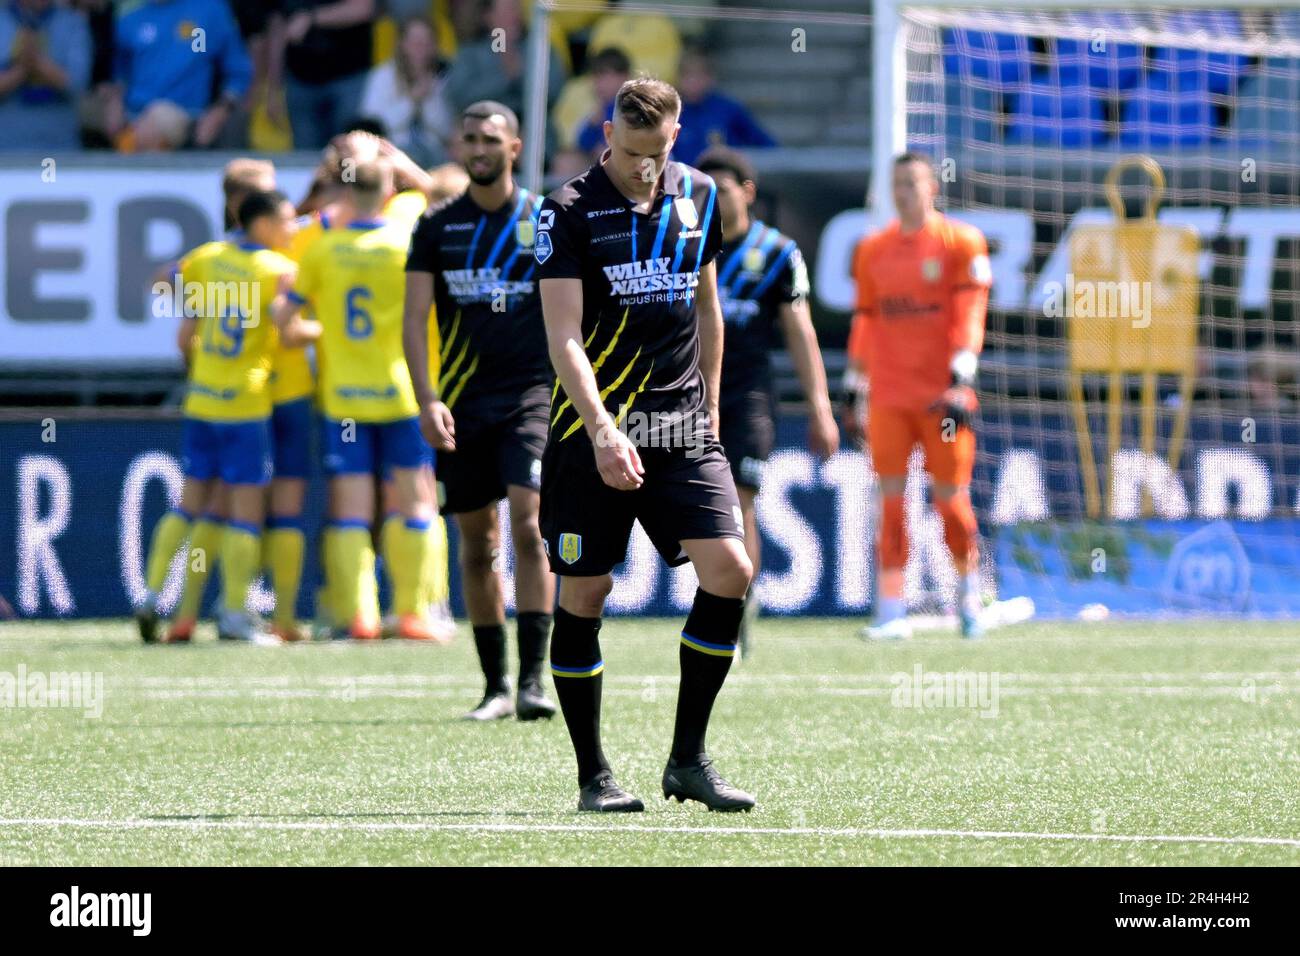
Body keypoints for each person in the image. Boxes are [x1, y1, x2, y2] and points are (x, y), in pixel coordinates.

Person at [535, 77, 756, 813]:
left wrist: (712, 407)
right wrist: (600, 429)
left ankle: (688, 760)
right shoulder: (565, 210)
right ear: (607, 131)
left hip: (681, 424)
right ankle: (592, 775)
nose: (642, 167)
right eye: (630, 152)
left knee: (729, 569)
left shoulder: (699, 197)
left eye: (656, 151)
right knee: (586, 592)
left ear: (677, 132)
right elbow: (563, 332)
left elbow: (707, 304)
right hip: (588, 430)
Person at [404, 101, 556, 722]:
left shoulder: (546, 220)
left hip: (534, 396)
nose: (479, 147)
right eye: (469, 138)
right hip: (464, 403)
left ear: (514, 147)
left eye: (490, 138)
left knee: (529, 520)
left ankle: (535, 681)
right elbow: (414, 320)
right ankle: (495, 685)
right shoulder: (438, 226)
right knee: (476, 542)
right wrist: (427, 399)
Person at [275, 158, 440, 642]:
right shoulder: (405, 245)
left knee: (351, 510)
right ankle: (411, 614)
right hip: (401, 392)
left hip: (344, 396)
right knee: (413, 504)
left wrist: (322, 328)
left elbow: (286, 323)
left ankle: (360, 617)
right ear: (389, 188)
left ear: (343, 194)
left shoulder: (323, 251)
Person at [136, 190, 302, 644]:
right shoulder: (277, 270)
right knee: (246, 515)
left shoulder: (207, 258)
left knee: (188, 505)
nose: (293, 228)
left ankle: (151, 594)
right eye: (287, 219)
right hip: (246, 405)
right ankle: (233, 615)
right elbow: (289, 333)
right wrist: (321, 328)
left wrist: (200, 305)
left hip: (202, 400)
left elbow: (158, 282)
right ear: (262, 224)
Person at [695, 147, 839, 655]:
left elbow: (800, 332)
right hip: (686, 395)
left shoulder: (777, 253)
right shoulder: (686, 247)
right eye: (703, 191)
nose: (711, 200)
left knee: (739, 504)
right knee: (694, 511)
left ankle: (734, 616)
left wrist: (819, 406)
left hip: (747, 396)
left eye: (722, 190)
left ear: (748, 193)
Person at [844, 152, 992, 641]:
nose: (903, 192)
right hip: (889, 395)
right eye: (897, 183)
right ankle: (891, 609)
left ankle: (969, 596)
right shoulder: (873, 250)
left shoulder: (960, 242)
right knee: (889, 501)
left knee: (950, 499)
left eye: (912, 182)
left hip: (943, 400)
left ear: (933, 187)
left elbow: (972, 312)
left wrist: (963, 377)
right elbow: (866, 317)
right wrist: (854, 383)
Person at [108, 0, 252, 149]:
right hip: (134, 113)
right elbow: (120, 71)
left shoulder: (209, 11)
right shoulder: (130, 16)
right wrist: (115, 101)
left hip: (186, 114)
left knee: (158, 116)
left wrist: (220, 111)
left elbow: (239, 72)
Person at [268, 0, 376, 150]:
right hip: (300, 80)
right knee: (305, 156)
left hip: (347, 78)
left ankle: (346, 175)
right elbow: (277, 29)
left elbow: (363, 8)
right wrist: (273, 89)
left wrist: (312, 18)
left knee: (348, 154)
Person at [359, 14, 453, 168]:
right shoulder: (382, 76)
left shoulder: (445, 76)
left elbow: (446, 130)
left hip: (435, 156)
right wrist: (411, 101)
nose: (420, 48)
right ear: (402, 43)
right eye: (414, 41)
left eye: (427, 42)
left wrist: (428, 99)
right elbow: (372, 126)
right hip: (390, 153)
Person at [0, 0, 92, 151]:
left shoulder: (72, 23)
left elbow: (78, 84)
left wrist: (37, 61)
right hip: (6, 149)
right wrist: (21, 69)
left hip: (60, 147)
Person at [673, 47, 775, 166]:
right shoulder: (672, 112)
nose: (694, 81)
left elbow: (766, 146)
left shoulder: (728, 109)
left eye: (700, 75)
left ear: (711, 78)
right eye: (688, 75)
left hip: (722, 179)